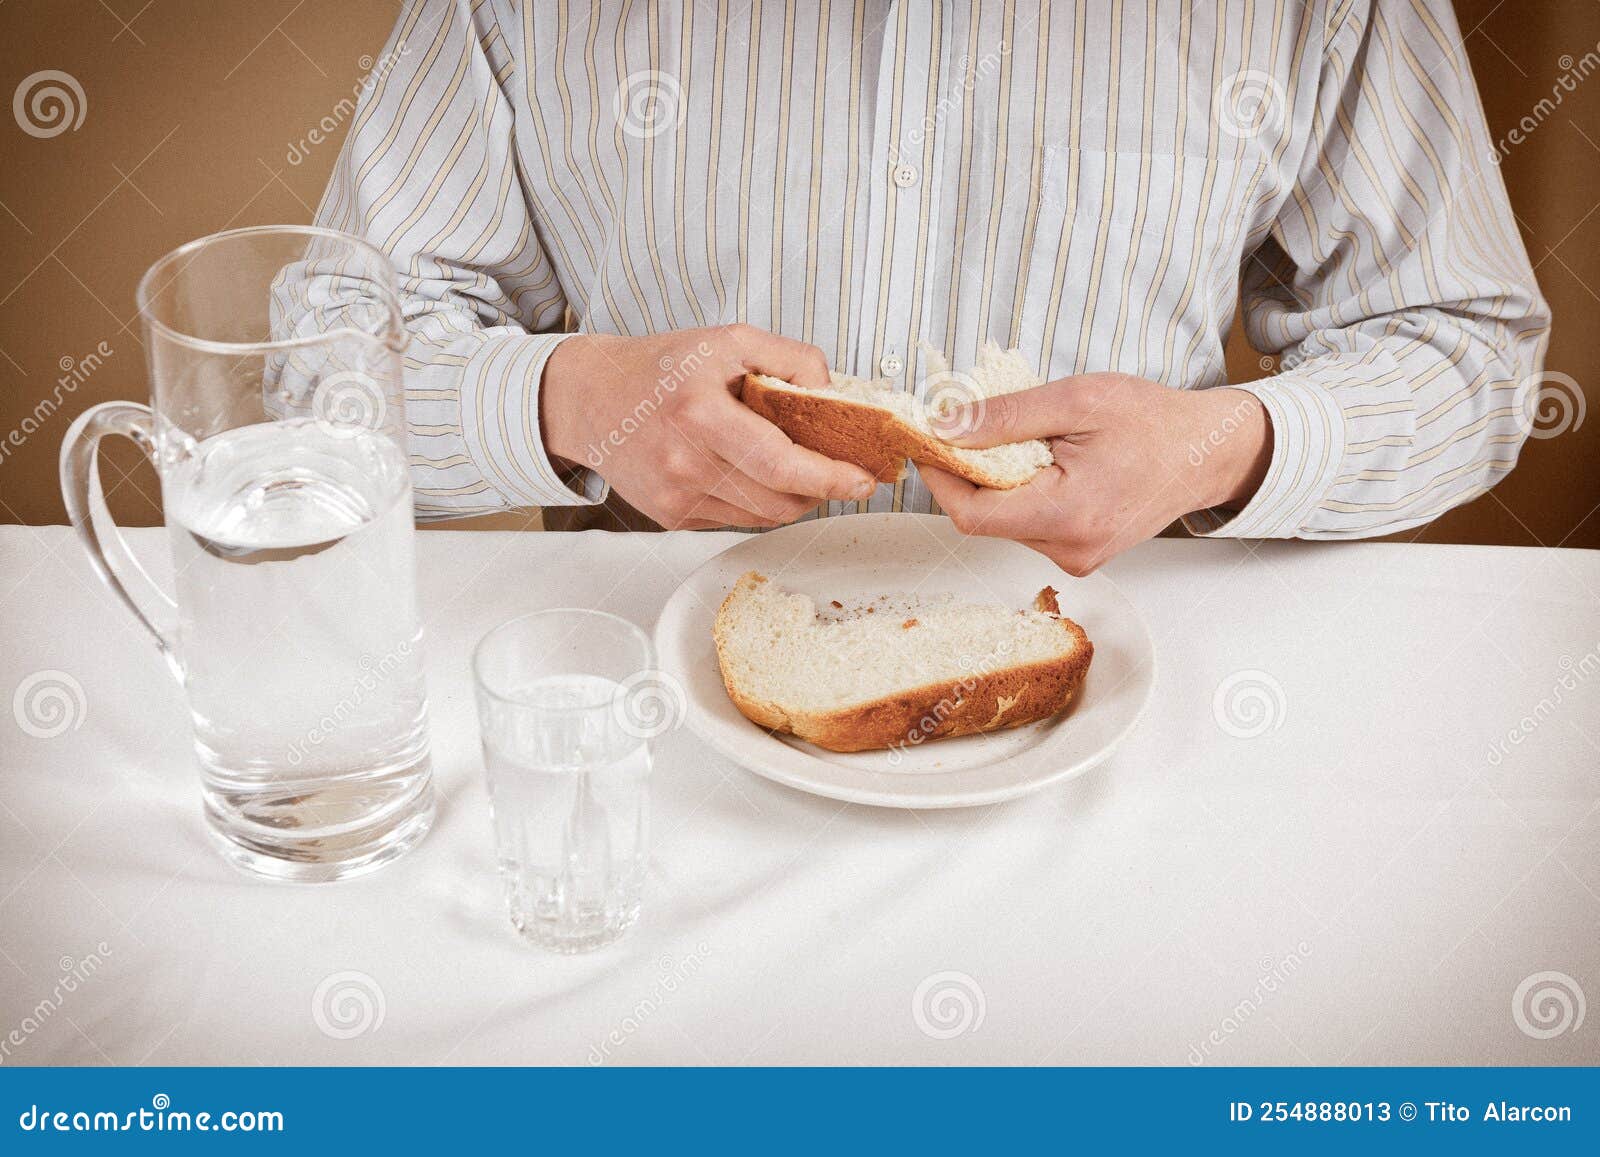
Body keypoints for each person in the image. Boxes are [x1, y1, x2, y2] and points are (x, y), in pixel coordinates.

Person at [300, 0, 1548, 575]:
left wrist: (1220, 446)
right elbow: (322, 370)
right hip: (647, 678)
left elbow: (1466, 346)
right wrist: (573, 400)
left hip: (1135, 664)